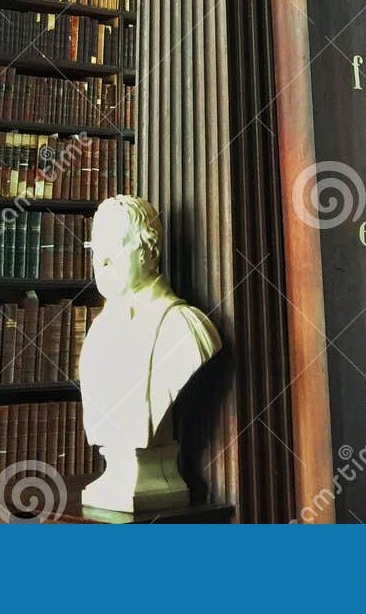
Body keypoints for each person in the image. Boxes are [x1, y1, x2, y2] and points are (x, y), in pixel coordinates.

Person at [79, 195, 220, 512]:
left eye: (113, 246)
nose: (101, 260)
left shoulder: (185, 328)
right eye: (95, 248)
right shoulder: (97, 333)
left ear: (148, 251)